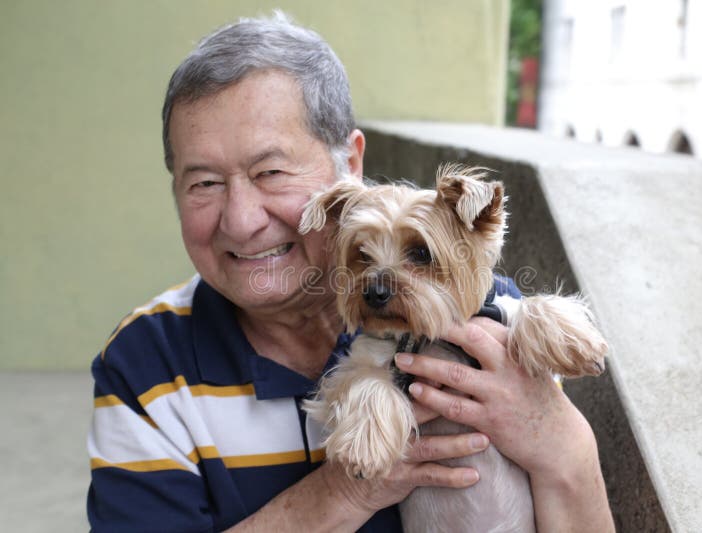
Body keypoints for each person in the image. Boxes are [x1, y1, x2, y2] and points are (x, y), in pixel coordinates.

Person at [87, 12, 614, 532]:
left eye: (270, 171)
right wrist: (344, 491)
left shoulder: (480, 308)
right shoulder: (146, 364)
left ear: (350, 167)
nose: (242, 221)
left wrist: (564, 444)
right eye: (204, 183)